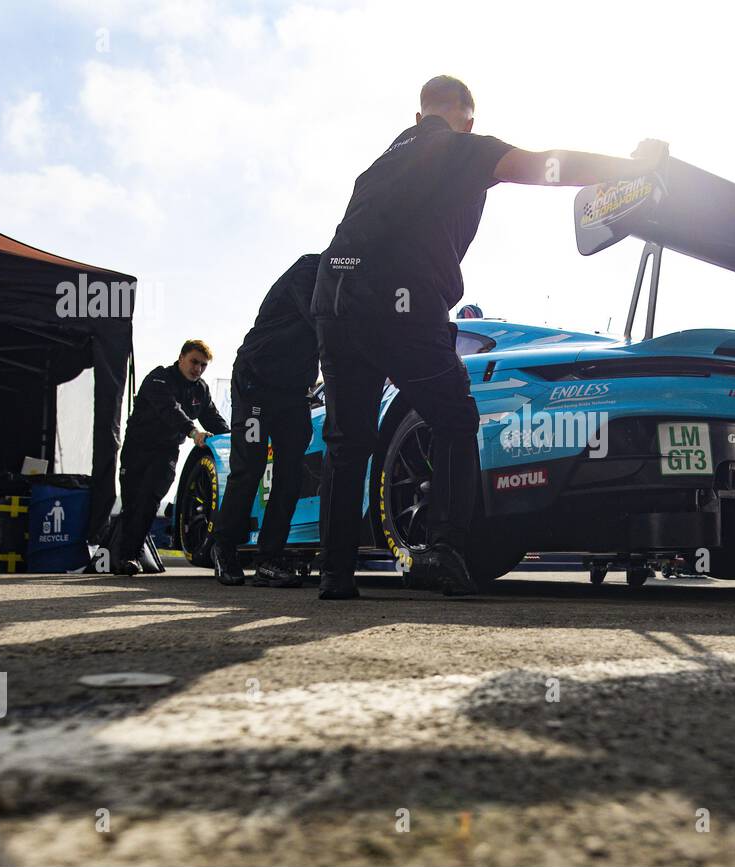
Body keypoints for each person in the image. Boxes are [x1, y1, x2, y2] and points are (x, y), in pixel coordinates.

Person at [311, 74, 667, 600]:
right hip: (401, 297)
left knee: (347, 443)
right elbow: (550, 164)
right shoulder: (463, 147)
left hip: (333, 298)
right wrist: (632, 166)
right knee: (454, 416)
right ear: (467, 115)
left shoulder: (378, 165)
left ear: (418, 115)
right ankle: (446, 551)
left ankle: (336, 575)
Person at [210, 254, 320, 588]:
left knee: (290, 474)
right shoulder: (310, 270)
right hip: (255, 384)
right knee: (251, 465)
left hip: (293, 391)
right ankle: (224, 547)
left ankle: (268, 559)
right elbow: (322, 319)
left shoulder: (352, 286)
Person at [116, 340, 228, 576]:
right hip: (138, 449)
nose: (197, 368)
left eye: (203, 365)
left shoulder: (202, 389)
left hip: (166, 452)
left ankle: (129, 557)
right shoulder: (158, 378)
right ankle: (125, 554)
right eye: (194, 362)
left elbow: (213, 420)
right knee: (133, 502)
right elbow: (170, 409)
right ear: (181, 358)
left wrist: (235, 440)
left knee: (149, 499)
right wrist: (192, 432)